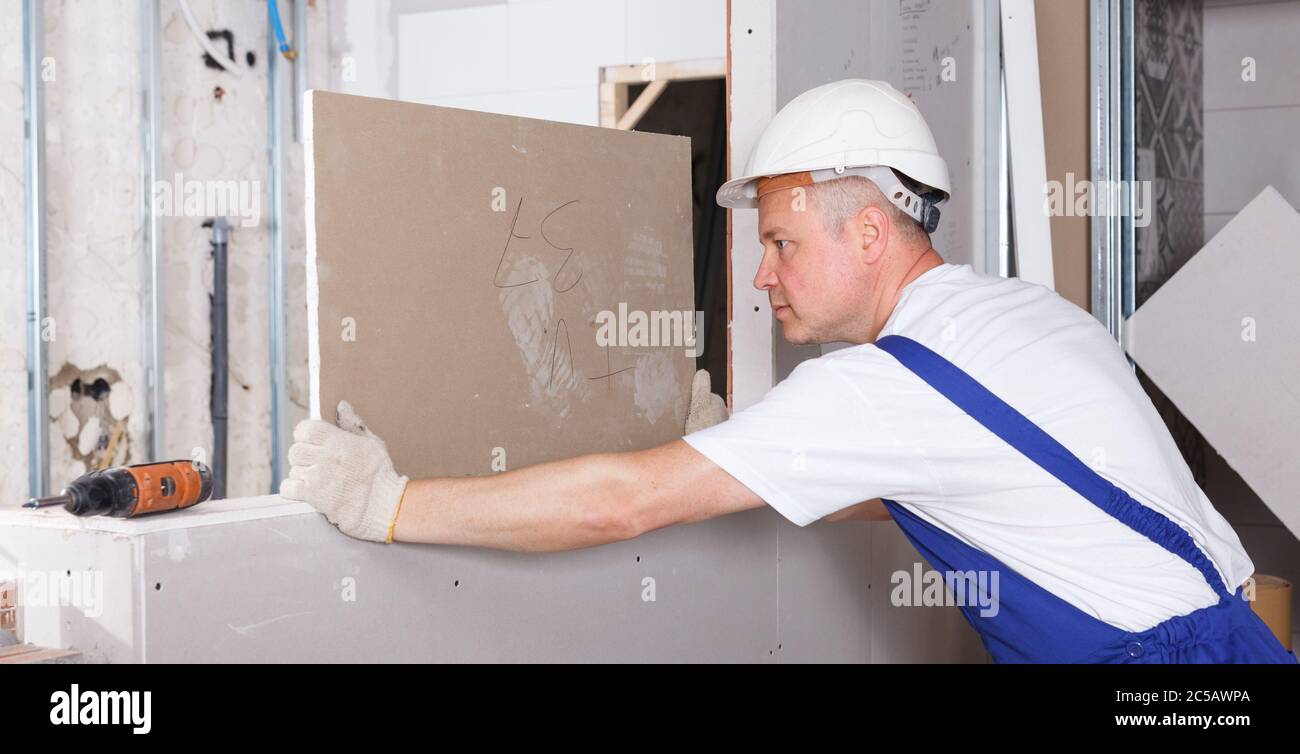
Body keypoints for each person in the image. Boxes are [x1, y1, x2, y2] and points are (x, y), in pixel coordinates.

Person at [280, 79, 1295, 664]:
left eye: (780, 243)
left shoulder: (883, 384)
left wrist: (391, 504)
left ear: (869, 233)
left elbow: (622, 504)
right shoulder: (1026, 315)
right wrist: (749, 460)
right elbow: (969, 488)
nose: (763, 276)